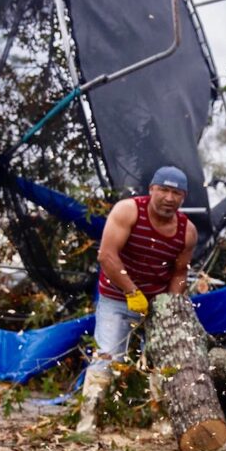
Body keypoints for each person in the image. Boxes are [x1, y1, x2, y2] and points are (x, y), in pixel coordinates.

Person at [77, 166, 197, 434]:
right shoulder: (128, 211)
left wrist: (170, 305)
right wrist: (131, 291)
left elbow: (179, 272)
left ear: (183, 197)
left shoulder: (186, 231)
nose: (168, 197)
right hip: (116, 297)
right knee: (106, 356)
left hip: (157, 301)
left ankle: (162, 422)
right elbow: (107, 255)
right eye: (163, 190)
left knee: (161, 361)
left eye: (175, 193)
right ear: (152, 189)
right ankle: (88, 421)